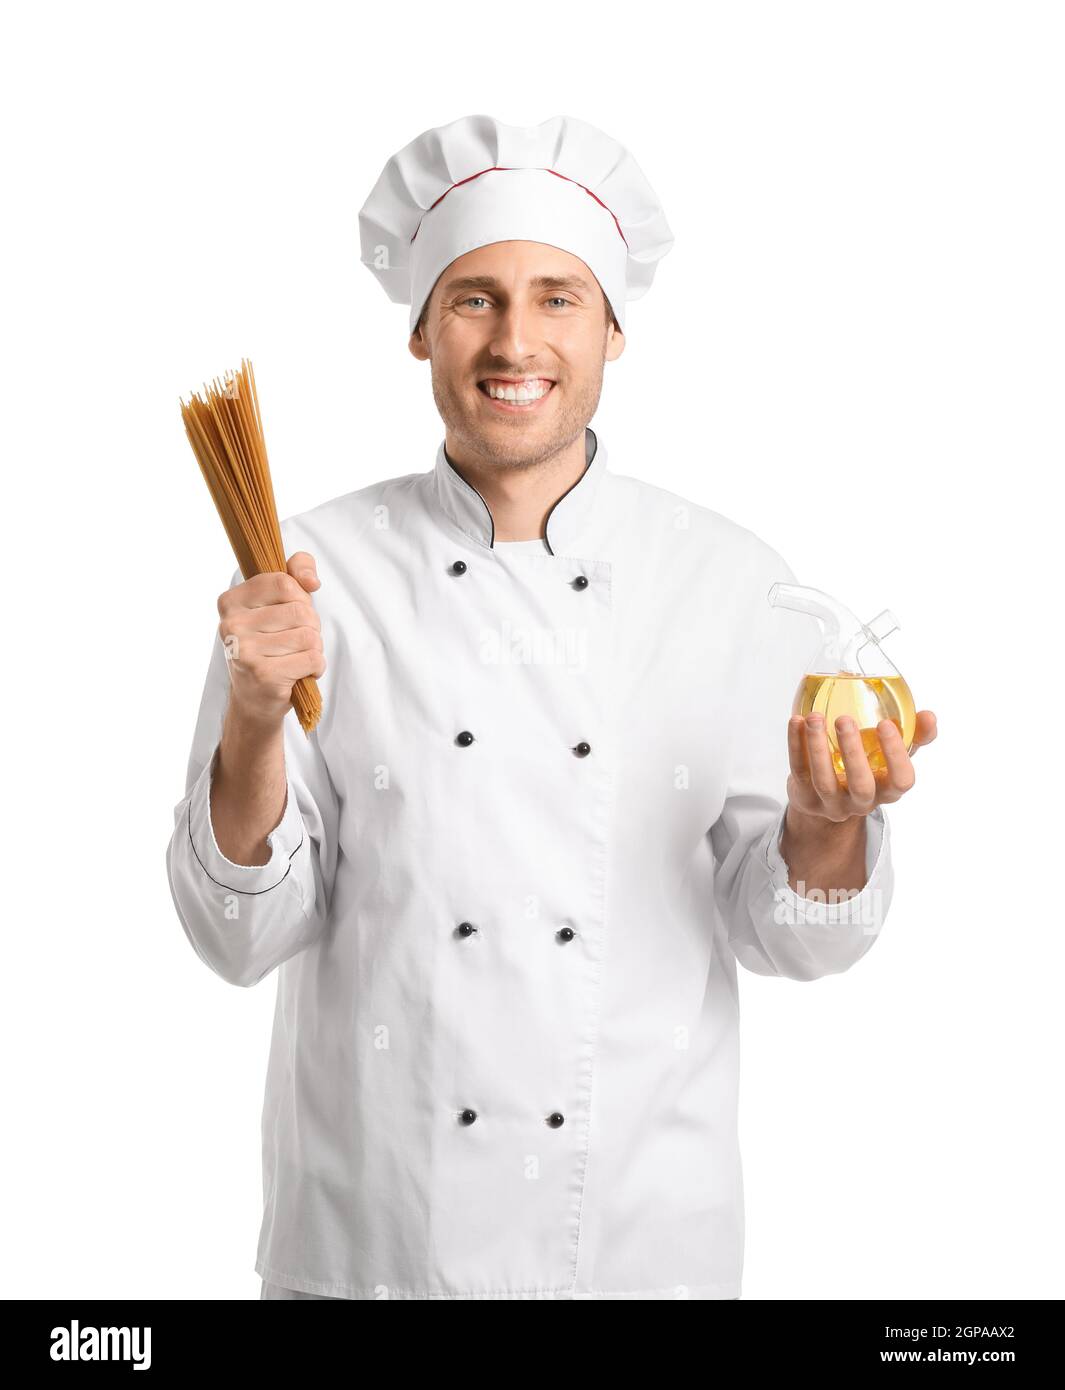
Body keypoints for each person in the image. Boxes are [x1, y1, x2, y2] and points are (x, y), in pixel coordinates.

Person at [166, 113, 937, 1302]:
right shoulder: (304, 573)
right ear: (420, 328)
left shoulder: (731, 581)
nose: (514, 340)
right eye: (473, 298)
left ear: (615, 329)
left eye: (558, 298)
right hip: (371, 1251)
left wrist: (830, 821)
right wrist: (256, 718)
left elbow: (789, 931)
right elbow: (237, 937)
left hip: (638, 1252)